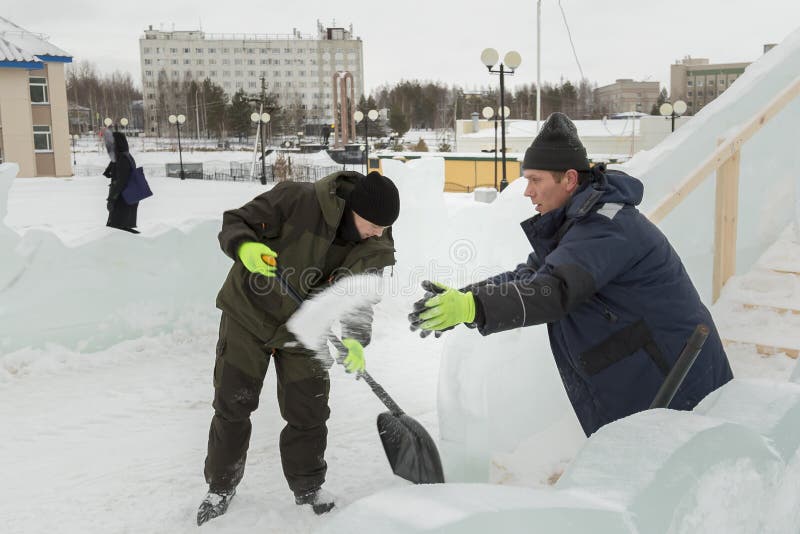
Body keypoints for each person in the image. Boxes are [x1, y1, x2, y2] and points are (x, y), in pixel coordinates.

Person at [409, 112, 733, 438]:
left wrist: (473, 306)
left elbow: (556, 289)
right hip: (649, 380)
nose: (527, 192)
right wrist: (466, 296)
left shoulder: (608, 224)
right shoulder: (576, 224)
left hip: (678, 382)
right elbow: (531, 275)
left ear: (569, 180)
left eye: (536, 180)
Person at [198, 170, 400, 525]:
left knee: (309, 411)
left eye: (384, 228)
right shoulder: (298, 200)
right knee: (234, 404)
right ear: (353, 209)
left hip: (307, 329)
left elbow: (360, 299)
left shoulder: (377, 244)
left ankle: (308, 488)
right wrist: (246, 246)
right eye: (372, 224)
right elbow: (236, 221)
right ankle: (221, 486)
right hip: (250, 314)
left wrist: (354, 340)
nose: (377, 233)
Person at [102, 130, 139, 234]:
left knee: (116, 229)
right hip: (126, 198)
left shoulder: (123, 159)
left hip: (123, 199)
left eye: (111, 143)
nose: (108, 146)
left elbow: (120, 182)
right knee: (120, 228)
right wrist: (109, 170)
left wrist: (111, 200)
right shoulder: (125, 156)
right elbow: (115, 164)